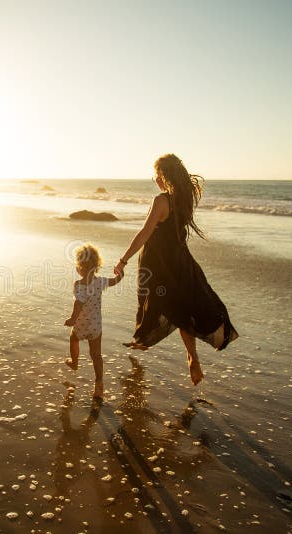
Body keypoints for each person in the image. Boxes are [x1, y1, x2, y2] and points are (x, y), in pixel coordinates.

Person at [114, 154, 238, 385]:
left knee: (153, 301)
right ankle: (190, 356)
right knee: (183, 310)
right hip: (181, 261)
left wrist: (123, 260)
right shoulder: (185, 198)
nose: (156, 180)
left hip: (158, 263)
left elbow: (144, 233)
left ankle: (144, 339)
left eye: (157, 176)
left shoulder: (161, 201)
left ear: (163, 176)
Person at [64, 243, 123, 399]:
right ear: (97, 266)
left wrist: (72, 318)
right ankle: (99, 384)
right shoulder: (101, 281)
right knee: (96, 355)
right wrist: (120, 274)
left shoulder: (78, 284)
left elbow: (79, 303)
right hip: (96, 326)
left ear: (79, 268)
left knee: (73, 338)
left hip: (81, 325)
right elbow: (115, 281)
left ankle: (75, 362)